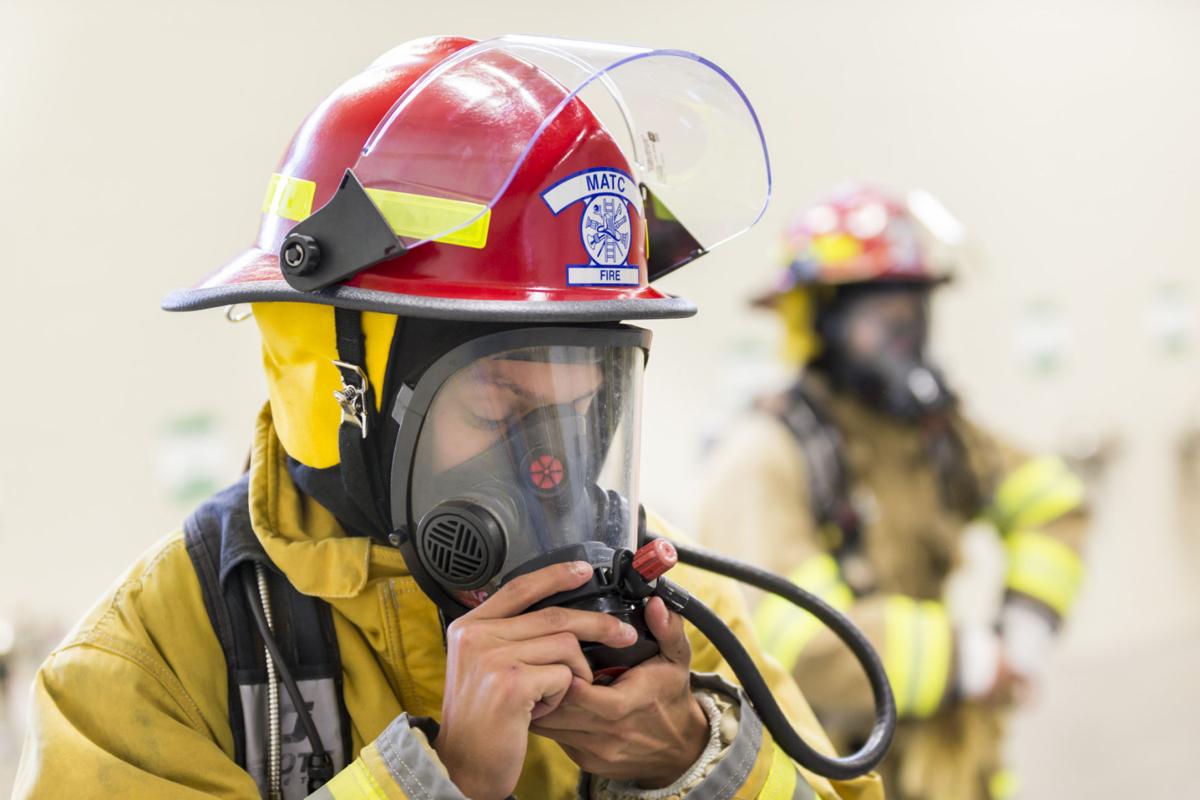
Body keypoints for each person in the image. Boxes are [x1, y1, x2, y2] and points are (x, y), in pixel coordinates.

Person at [14, 37, 881, 800]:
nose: (554, 473)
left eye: (587, 414)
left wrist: (693, 760)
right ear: (341, 386)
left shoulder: (668, 610)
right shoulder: (150, 663)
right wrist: (442, 782)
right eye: (506, 403)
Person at [698, 184, 1089, 800]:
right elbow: (792, 641)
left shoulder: (933, 434)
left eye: (917, 307)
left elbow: (1053, 501)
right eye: (885, 312)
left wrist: (1025, 633)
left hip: (944, 768)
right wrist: (969, 660)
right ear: (820, 320)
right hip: (831, 773)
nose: (907, 332)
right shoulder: (765, 456)